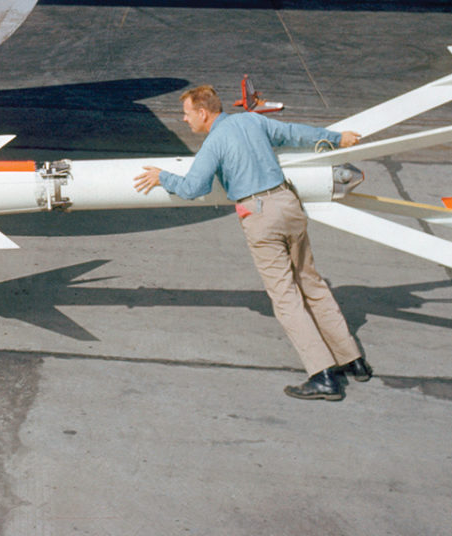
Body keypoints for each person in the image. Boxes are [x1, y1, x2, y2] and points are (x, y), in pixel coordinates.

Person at [133, 85, 370, 401]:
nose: (185, 121)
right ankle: (353, 361)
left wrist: (162, 177)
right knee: (311, 283)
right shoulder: (252, 121)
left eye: (187, 114)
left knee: (285, 297)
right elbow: (294, 134)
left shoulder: (214, 143)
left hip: (260, 215)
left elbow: (193, 187)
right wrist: (337, 138)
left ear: (203, 113)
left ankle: (322, 374)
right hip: (288, 204)